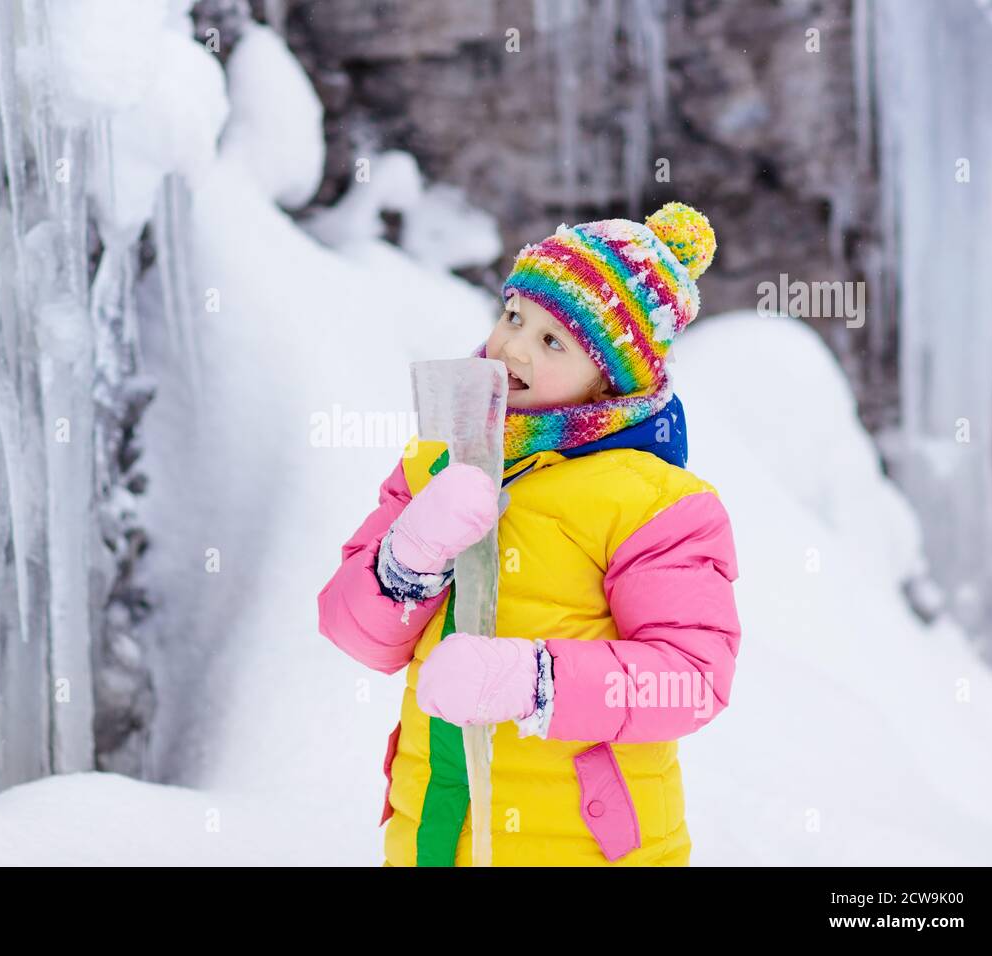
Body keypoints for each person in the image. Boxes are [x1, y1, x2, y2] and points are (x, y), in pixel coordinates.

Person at [317, 201, 742, 866]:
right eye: (514, 315)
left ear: (608, 379)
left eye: (552, 342)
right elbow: (351, 630)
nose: (512, 345)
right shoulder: (438, 456)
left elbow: (693, 679)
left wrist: (533, 682)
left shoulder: (656, 503)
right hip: (435, 835)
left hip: (585, 849)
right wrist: (409, 558)